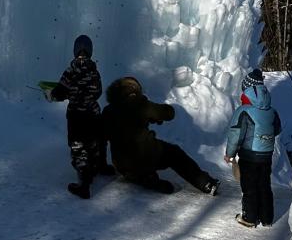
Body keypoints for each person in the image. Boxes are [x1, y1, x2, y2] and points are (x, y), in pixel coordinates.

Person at [102, 76, 219, 196]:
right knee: (174, 153)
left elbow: (102, 138)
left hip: (121, 163)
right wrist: (148, 109)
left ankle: (142, 176)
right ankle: (205, 183)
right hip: (146, 157)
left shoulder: (108, 111)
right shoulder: (141, 105)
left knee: (136, 161)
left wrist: (102, 165)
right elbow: (168, 113)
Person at [50, 34, 114, 199]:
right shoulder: (94, 70)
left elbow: (60, 92)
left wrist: (54, 94)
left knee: (79, 148)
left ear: (75, 50)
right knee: (96, 141)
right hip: (93, 113)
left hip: (76, 115)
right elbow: (98, 91)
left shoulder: (71, 70)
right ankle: (101, 166)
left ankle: (84, 185)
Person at [224, 68, 281, 229]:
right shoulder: (272, 111)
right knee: (264, 184)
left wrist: (230, 154)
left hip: (249, 155)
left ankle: (249, 218)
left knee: (249, 186)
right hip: (266, 155)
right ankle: (267, 218)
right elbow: (277, 129)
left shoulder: (243, 111)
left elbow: (236, 135)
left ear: (246, 92)